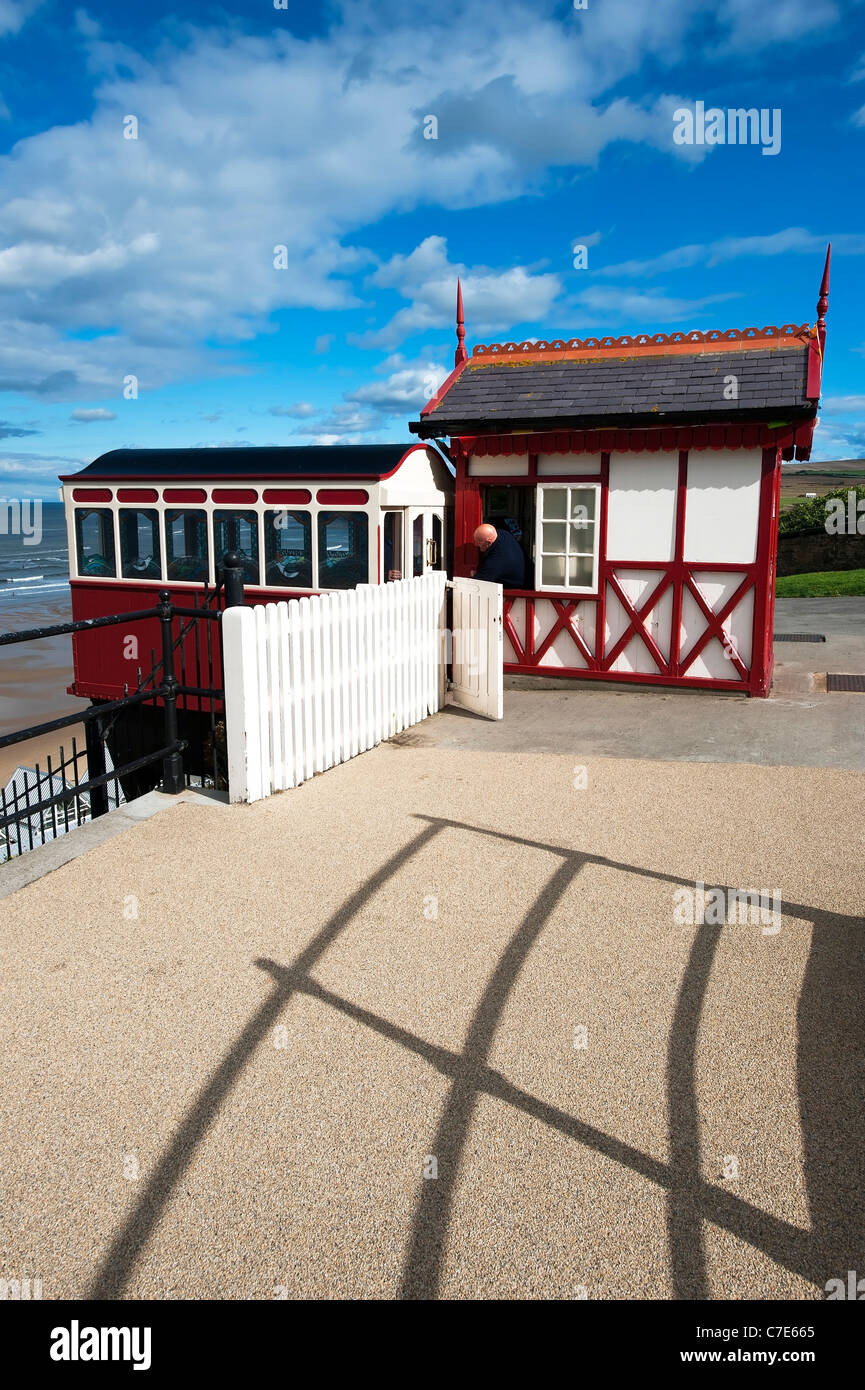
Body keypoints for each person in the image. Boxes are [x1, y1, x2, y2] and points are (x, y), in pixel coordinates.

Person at [472, 523, 528, 588]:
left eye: (479, 542)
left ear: (488, 542)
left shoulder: (496, 562)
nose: (475, 544)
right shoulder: (502, 533)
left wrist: (475, 575)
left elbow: (475, 585)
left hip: (520, 589)